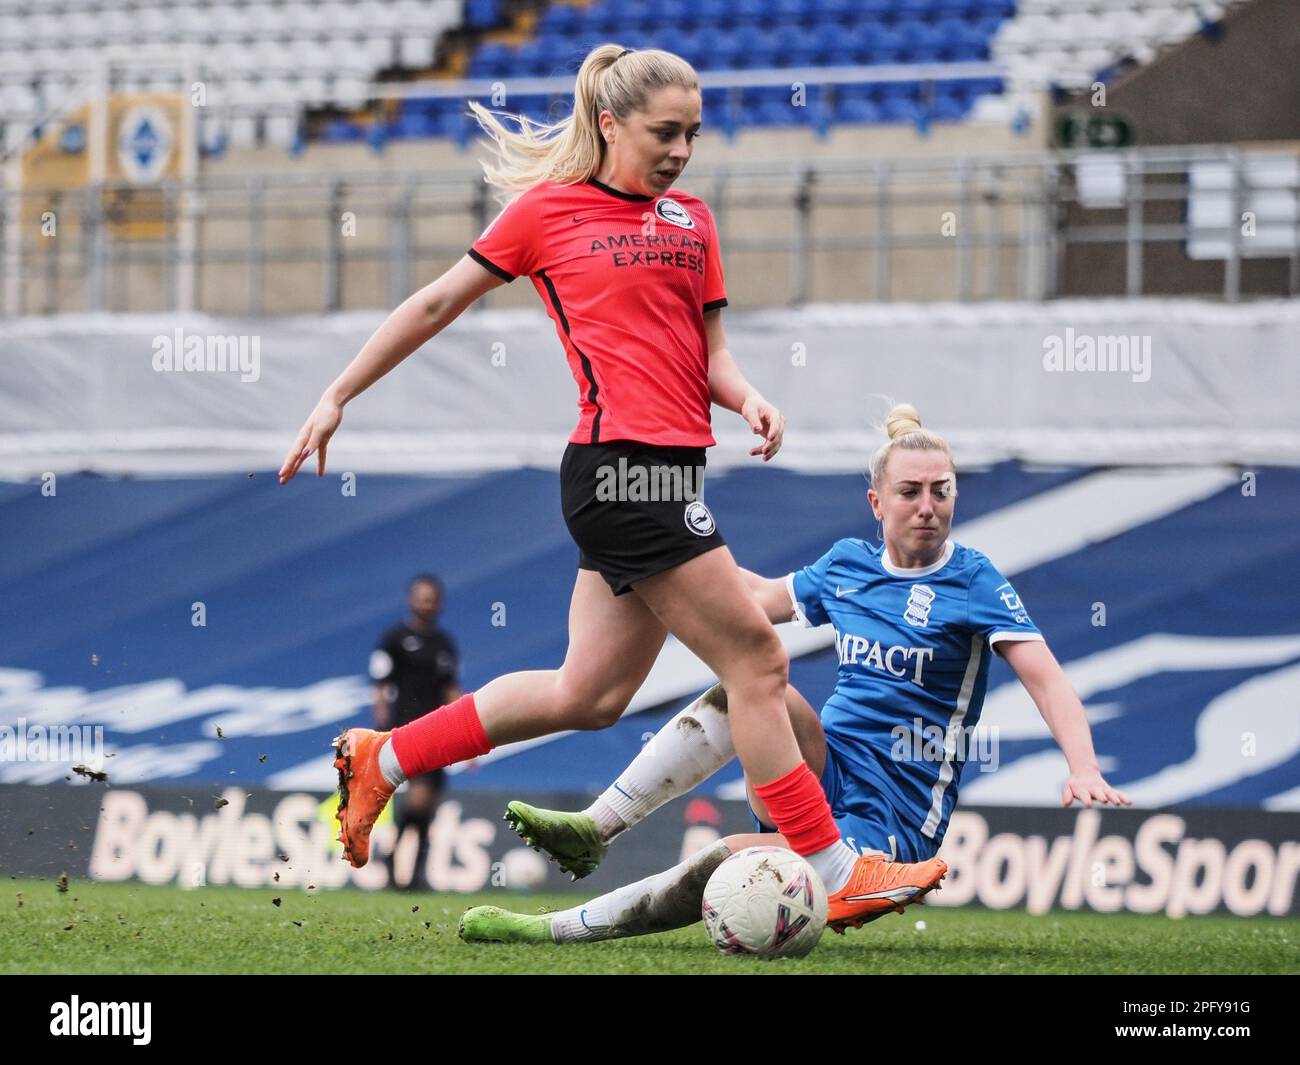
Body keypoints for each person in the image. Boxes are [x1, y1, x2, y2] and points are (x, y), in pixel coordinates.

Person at [277, 46, 946, 930]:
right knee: (757, 660)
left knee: (587, 695)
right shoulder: (547, 213)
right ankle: (833, 865)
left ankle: (384, 759)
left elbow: (706, 356)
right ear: (610, 124)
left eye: (693, 134)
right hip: (621, 473)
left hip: (669, 471)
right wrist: (337, 393)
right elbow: (437, 303)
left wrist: (746, 397)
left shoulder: (693, 222)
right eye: (664, 132)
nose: (680, 149)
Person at [460, 404, 1132, 945]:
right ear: (877, 502)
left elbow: (1045, 677)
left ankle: (551, 928)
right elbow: (753, 600)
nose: (927, 505)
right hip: (817, 770)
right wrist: (659, 555)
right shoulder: (847, 565)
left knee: (723, 860)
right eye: (910, 492)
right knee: (752, 684)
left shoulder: (975, 580)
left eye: (941, 491)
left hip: (889, 821)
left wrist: (1083, 765)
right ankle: (594, 829)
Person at [371, 574, 460, 890]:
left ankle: (411, 870)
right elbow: (381, 687)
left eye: (433, 598)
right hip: (406, 731)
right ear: (411, 600)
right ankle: (396, 861)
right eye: (423, 597)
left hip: (439, 731)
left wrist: (462, 727)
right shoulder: (394, 639)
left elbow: (451, 688)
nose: (428, 603)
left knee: (430, 804)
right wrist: (382, 728)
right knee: (418, 801)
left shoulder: (444, 644)